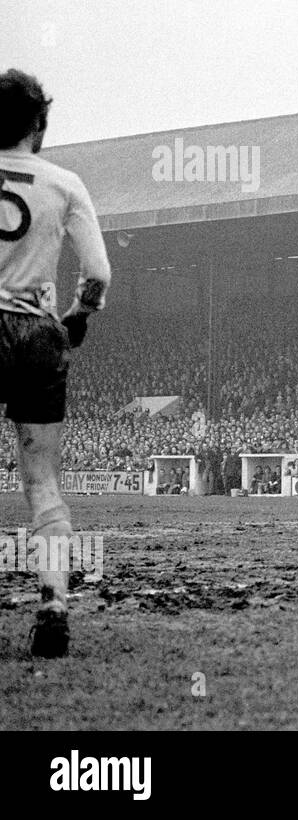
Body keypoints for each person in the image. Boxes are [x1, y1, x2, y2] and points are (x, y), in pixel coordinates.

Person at [0, 69, 112, 658]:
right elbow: (97, 274)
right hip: (39, 337)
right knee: (43, 483)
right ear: (39, 123)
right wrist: (75, 320)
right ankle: (53, 603)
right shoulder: (64, 183)